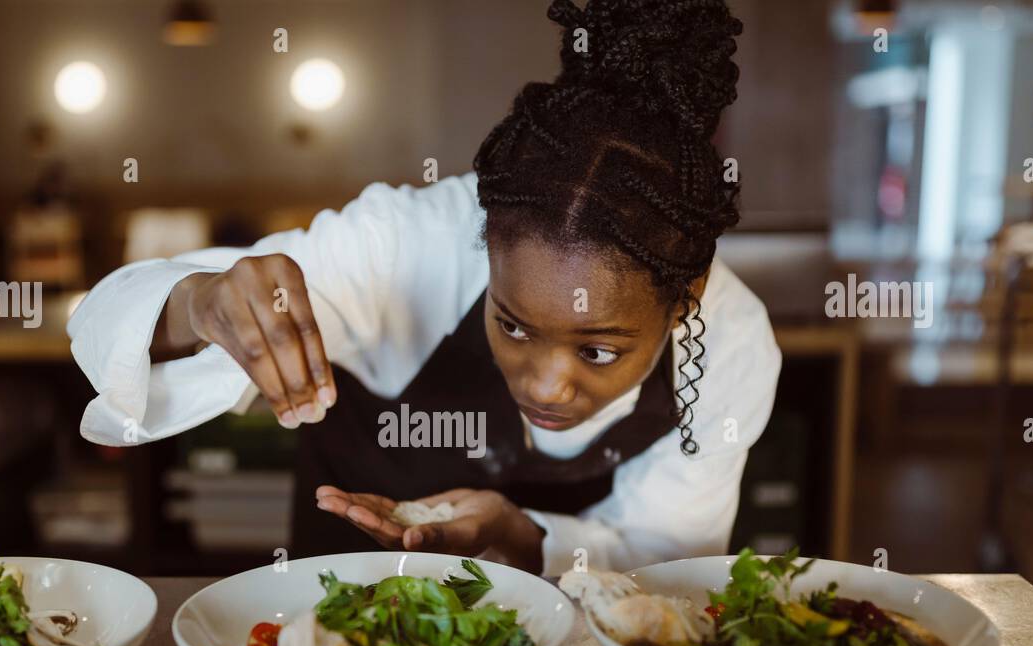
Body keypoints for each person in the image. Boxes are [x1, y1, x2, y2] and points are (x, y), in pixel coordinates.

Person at [69, 0, 780, 577]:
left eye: (597, 352)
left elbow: (668, 562)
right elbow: (107, 319)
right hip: (338, 604)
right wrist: (201, 303)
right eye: (513, 325)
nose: (547, 386)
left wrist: (525, 536)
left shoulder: (733, 342)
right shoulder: (405, 246)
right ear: (482, 237)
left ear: (685, 292)